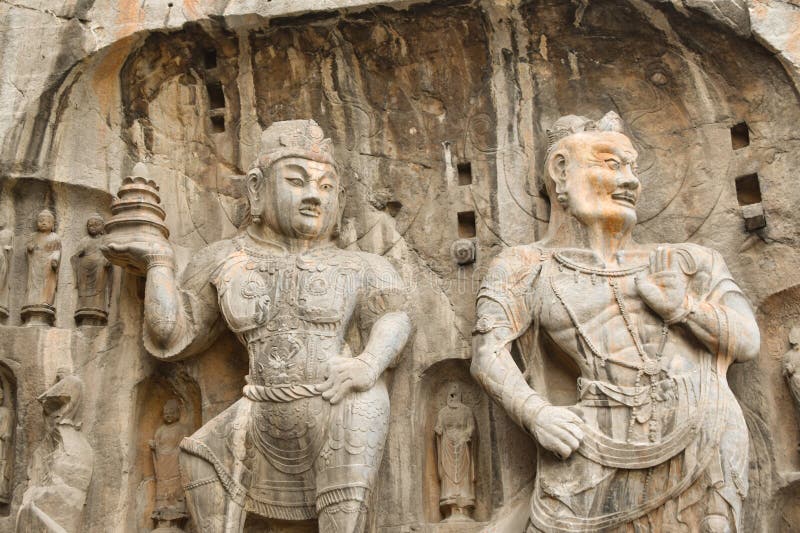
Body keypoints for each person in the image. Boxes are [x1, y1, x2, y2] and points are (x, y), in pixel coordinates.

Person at [103, 119, 412, 532]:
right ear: (256, 188)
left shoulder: (360, 265)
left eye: (326, 187)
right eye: (297, 181)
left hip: (338, 406)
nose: (312, 197)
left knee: (359, 419)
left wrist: (368, 363)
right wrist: (159, 262)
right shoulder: (223, 260)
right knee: (199, 458)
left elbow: (394, 316)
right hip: (260, 408)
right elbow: (173, 334)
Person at [471, 112, 759, 532]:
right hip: (591, 441)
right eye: (610, 164)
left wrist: (683, 307)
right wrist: (537, 414)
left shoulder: (687, 260)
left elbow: (747, 340)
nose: (629, 181)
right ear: (561, 171)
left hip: (703, 435)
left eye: (632, 168)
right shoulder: (527, 265)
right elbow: (486, 353)